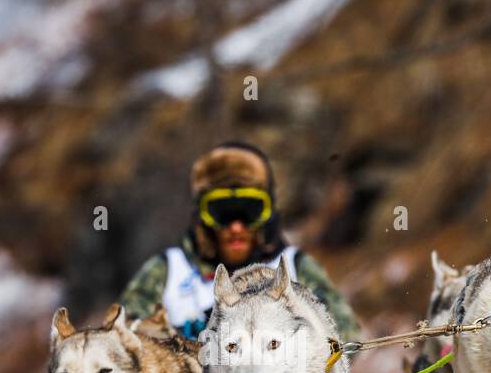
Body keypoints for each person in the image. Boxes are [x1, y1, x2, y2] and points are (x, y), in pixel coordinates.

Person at [120, 141, 361, 341]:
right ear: (202, 221)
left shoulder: (294, 267)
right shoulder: (167, 270)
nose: (236, 228)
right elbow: (122, 336)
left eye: (249, 213)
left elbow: (345, 334)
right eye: (222, 214)